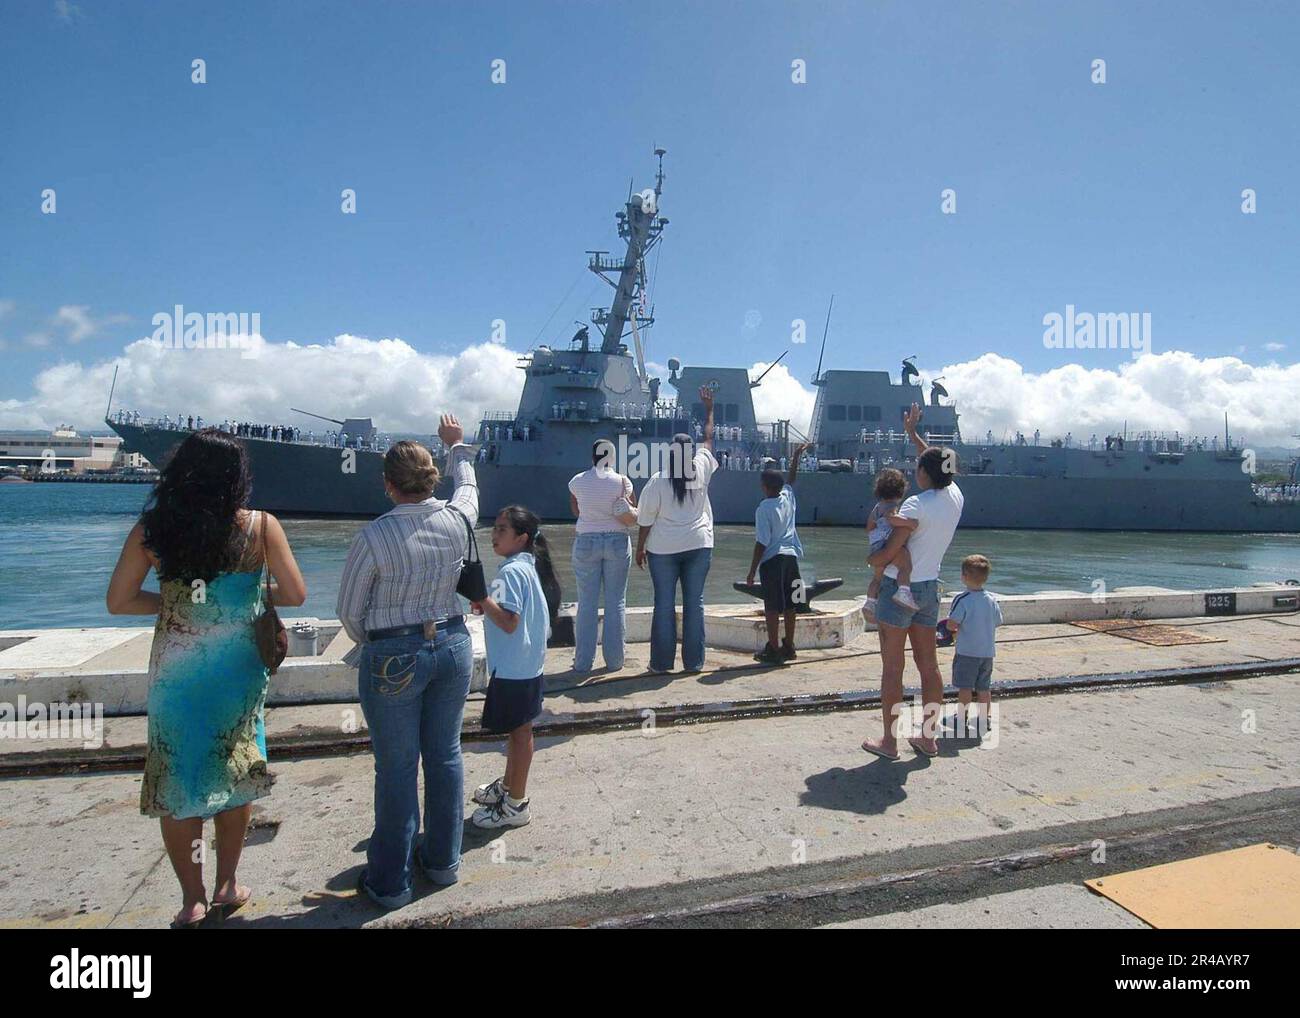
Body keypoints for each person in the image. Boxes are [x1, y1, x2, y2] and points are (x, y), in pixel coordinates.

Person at [106, 429, 307, 928]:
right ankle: (227, 884)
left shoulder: (153, 530)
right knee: (233, 769)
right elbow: (296, 593)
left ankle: (191, 899)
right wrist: (242, 601)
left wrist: (178, 604)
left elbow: (120, 600)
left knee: (179, 779)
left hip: (177, 673)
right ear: (236, 479)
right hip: (237, 671)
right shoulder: (262, 526)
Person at [336, 416, 476, 909]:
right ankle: (443, 862)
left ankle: (391, 884)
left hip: (393, 653)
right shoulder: (459, 520)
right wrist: (457, 447)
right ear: (430, 476)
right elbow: (470, 490)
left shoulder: (373, 537)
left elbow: (349, 613)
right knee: (445, 755)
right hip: (454, 645)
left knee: (396, 768)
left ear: (388, 484)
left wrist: (378, 643)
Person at [861, 404, 963, 762]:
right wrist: (913, 435)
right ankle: (928, 737)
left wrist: (871, 559)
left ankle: (889, 743)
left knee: (893, 668)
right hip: (928, 588)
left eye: (919, 466)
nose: (915, 467)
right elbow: (937, 465)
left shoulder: (915, 506)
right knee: (929, 666)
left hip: (896, 591)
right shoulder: (954, 497)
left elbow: (887, 554)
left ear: (923, 474)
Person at [469, 506, 560, 829]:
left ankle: (516, 804)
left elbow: (509, 622)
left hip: (513, 667)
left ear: (521, 538)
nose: (494, 535)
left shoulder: (509, 571)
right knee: (517, 731)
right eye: (494, 528)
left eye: (502, 530)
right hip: (526, 663)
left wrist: (479, 594)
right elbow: (510, 614)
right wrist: (487, 603)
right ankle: (508, 788)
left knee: (520, 735)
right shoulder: (526, 565)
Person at [635, 386, 718, 673]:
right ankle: (694, 664)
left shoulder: (658, 481)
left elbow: (645, 520)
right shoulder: (702, 469)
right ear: (691, 452)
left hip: (663, 550)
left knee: (664, 604)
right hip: (698, 545)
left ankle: (660, 664)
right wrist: (709, 409)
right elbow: (708, 438)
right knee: (694, 604)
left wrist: (639, 548)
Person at [568, 440, 638, 672]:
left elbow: (576, 510)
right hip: (617, 540)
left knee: (587, 603)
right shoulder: (622, 482)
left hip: (586, 540)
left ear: (593, 457)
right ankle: (615, 661)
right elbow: (632, 510)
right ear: (612, 458)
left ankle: (583, 663)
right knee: (616, 602)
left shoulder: (577, 481)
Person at [746, 443, 812, 663]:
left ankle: (772, 648)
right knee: (792, 603)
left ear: (765, 487)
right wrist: (796, 456)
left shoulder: (763, 508)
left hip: (772, 561)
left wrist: (751, 571)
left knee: (772, 606)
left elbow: (761, 543)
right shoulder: (787, 497)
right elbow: (791, 479)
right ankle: (790, 646)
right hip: (791, 558)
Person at [944, 554, 1002, 740]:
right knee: (984, 688)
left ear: (964, 576)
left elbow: (951, 624)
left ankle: (961, 718)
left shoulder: (963, 599)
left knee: (965, 688)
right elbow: (998, 621)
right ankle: (985, 719)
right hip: (986, 653)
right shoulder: (991, 599)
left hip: (967, 652)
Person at [861, 467, 918, 619]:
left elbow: (869, 527)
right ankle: (903, 591)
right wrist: (909, 523)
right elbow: (892, 519)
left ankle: (870, 602)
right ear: (900, 491)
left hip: (875, 547)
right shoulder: (892, 507)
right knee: (905, 565)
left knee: (877, 578)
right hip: (887, 545)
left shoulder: (877, 507)